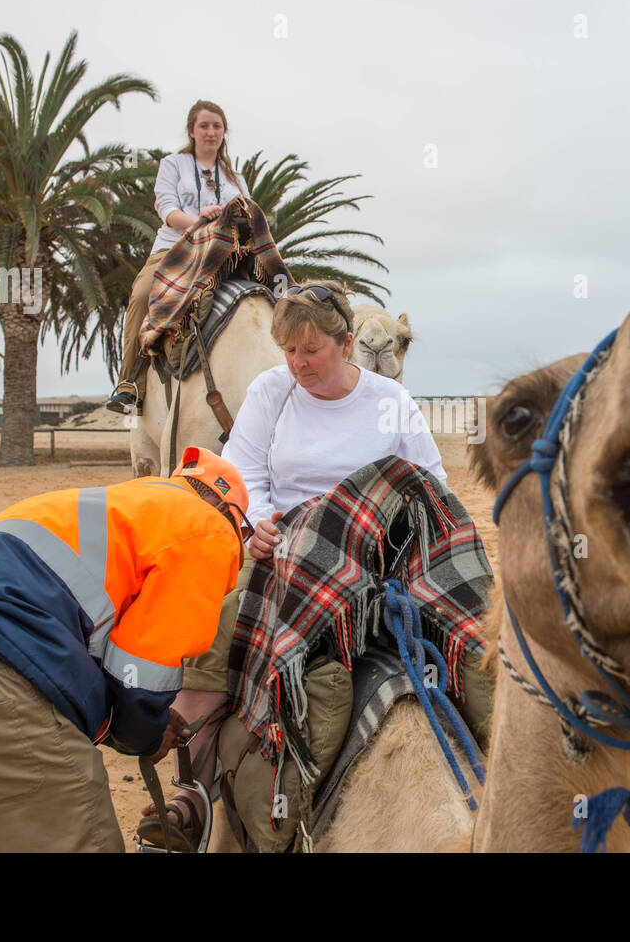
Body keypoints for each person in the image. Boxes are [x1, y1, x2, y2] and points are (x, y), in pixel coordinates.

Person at [135, 281, 448, 848]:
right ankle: (193, 793)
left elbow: (432, 485)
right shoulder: (271, 392)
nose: (298, 363)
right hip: (283, 552)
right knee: (214, 633)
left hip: (374, 560)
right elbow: (242, 473)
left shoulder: (390, 403)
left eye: (311, 350)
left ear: (346, 344)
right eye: (288, 351)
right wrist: (256, 521)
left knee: (470, 637)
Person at [0, 447, 253, 852]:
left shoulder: (98, 507)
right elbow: (143, 667)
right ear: (226, 510)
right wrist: (145, 733)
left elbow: (68, 638)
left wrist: (125, 722)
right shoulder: (208, 528)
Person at [106, 100, 250, 414]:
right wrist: (202, 219)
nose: (211, 132)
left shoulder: (235, 178)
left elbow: (247, 216)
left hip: (221, 255)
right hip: (175, 250)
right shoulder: (174, 164)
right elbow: (167, 210)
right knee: (143, 294)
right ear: (192, 131)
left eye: (217, 126)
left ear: (224, 132)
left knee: (267, 296)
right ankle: (129, 382)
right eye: (204, 126)